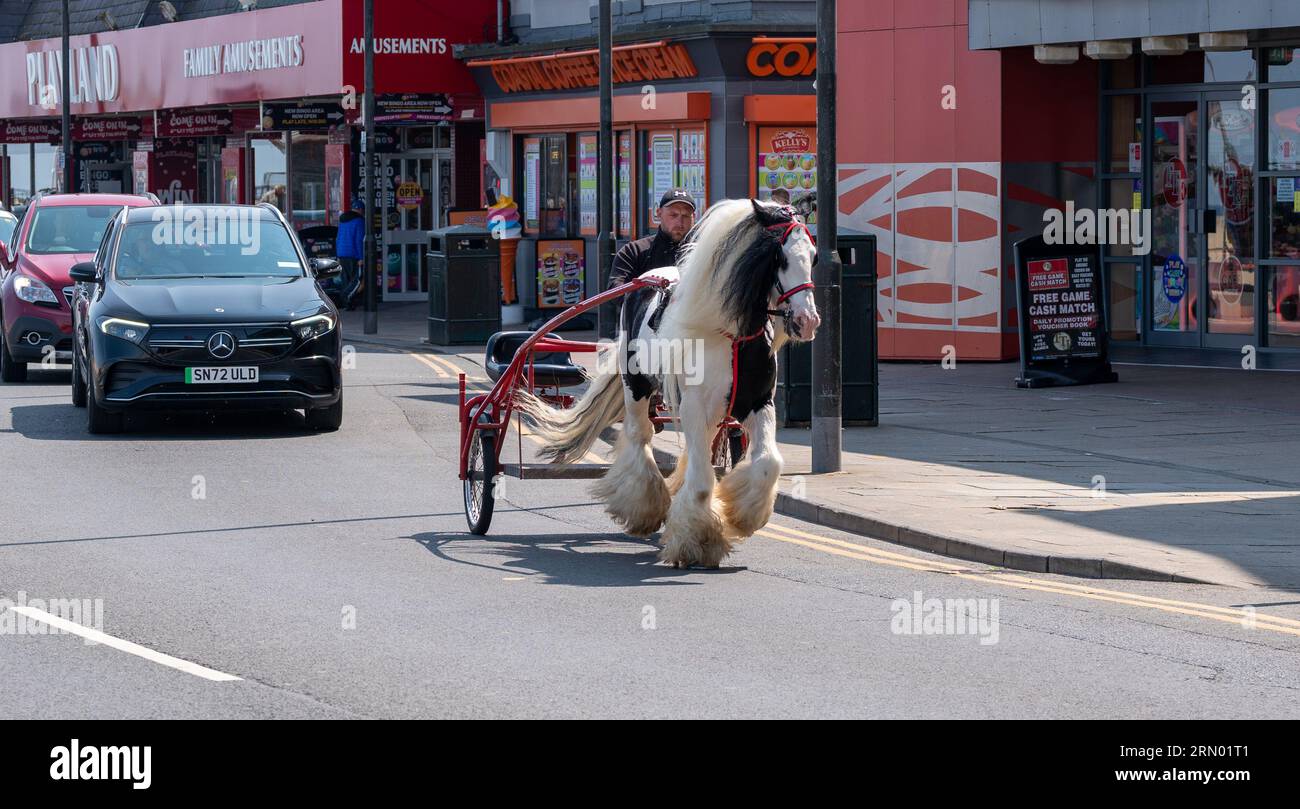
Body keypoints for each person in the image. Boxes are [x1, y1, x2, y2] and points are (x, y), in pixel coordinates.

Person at [607, 188, 696, 289]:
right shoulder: (634, 251)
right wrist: (646, 298)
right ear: (659, 213)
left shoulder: (705, 253)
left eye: (686, 216)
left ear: (694, 217)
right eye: (673, 215)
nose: (680, 223)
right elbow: (616, 289)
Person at [336, 196, 365, 307]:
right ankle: (345, 297)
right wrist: (361, 257)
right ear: (361, 210)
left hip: (342, 254)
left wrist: (338, 254)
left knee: (345, 279)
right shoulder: (359, 221)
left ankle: (347, 303)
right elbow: (359, 240)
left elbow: (338, 238)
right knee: (356, 280)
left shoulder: (342, 220)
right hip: (353, 254)